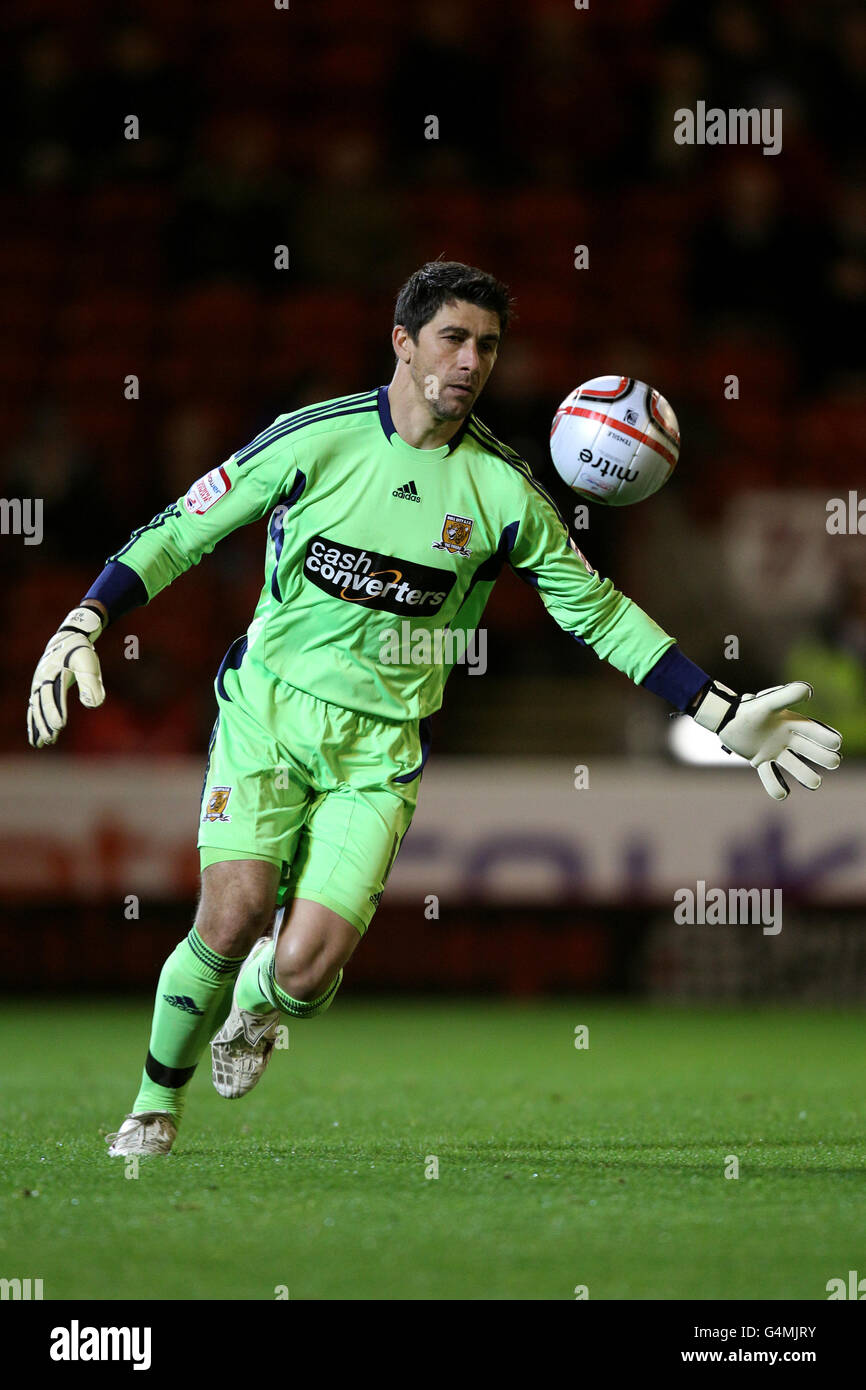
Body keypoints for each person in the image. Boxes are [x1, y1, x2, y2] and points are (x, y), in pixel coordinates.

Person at [26, 261, 842, 1157]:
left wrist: (719, 712)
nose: (470, 360)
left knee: (303, 970)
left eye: (488, 345)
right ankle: (151, 1108)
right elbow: (183, 526)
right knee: (232, 908)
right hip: (268, 711)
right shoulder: (316, 442)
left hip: (379, 750)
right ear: (403, 342)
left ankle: (261, 1001)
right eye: (453, 337)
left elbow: (598, 614)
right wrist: (86, 617)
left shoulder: (501, 492)